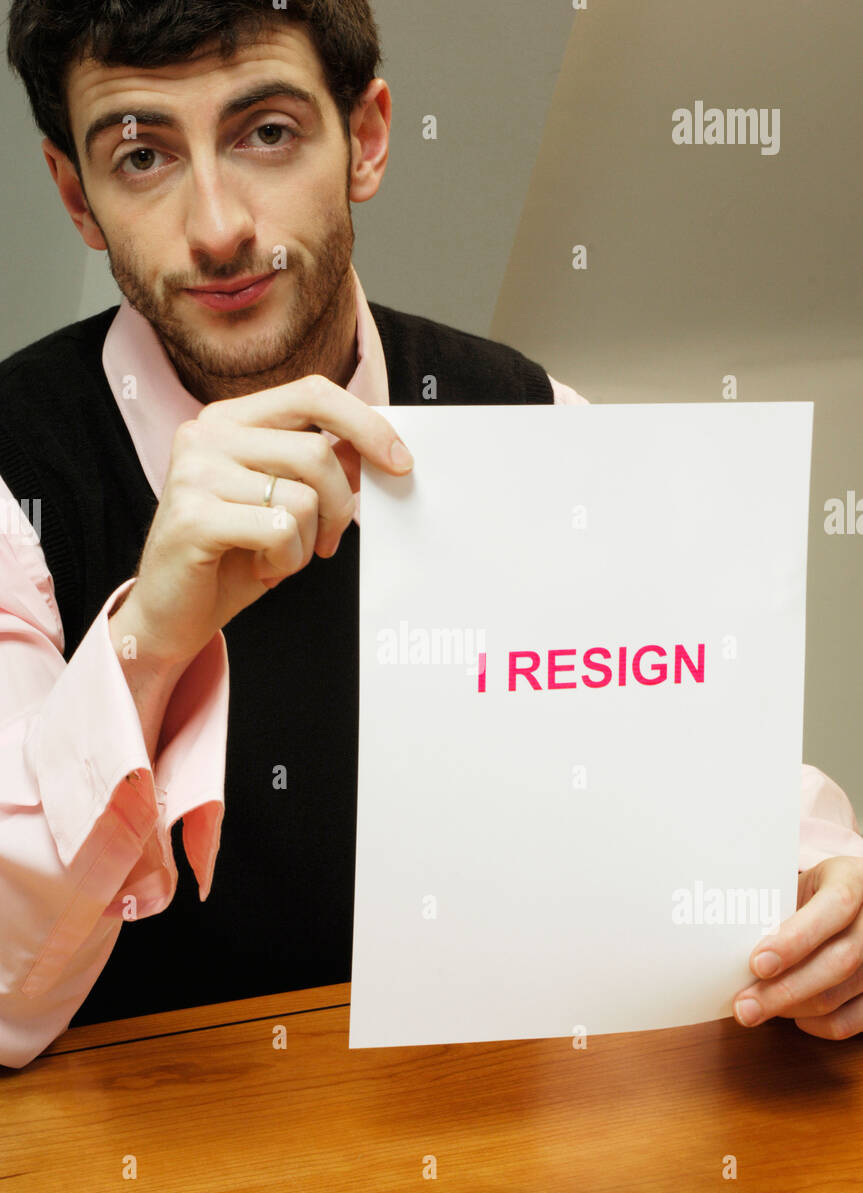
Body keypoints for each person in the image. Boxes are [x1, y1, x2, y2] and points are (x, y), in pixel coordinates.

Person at [1, 0, 862, 1070]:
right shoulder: (15, 474)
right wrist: (148, 646)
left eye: (266, 132)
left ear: (365, 138)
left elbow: (719, 793)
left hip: (488, 1163)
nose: (217, 224)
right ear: (74, 196)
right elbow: (5, 1000)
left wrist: (825, 893)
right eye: (141, 155)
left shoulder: (531, 419)